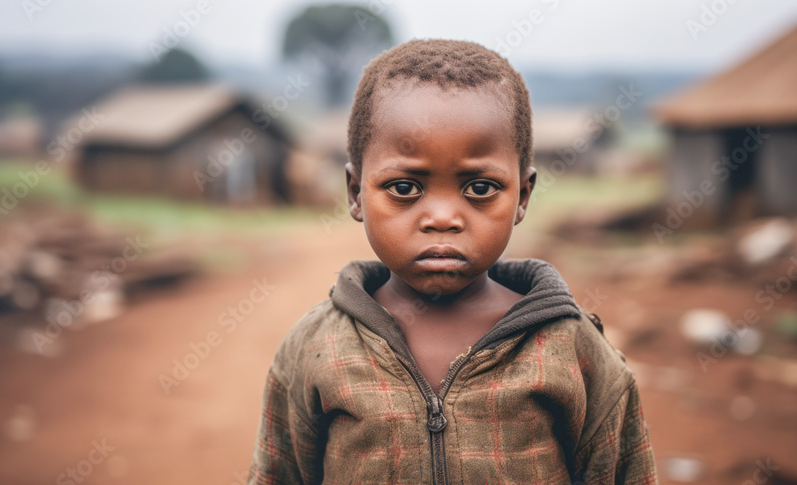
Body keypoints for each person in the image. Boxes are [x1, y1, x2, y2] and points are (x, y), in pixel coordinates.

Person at [246, 39, 657, 484]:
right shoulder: (314, 349)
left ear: (523, 196)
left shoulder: (572, 350)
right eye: (405, 188)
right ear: (355, 192)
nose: (443, 218)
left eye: (480, 188)